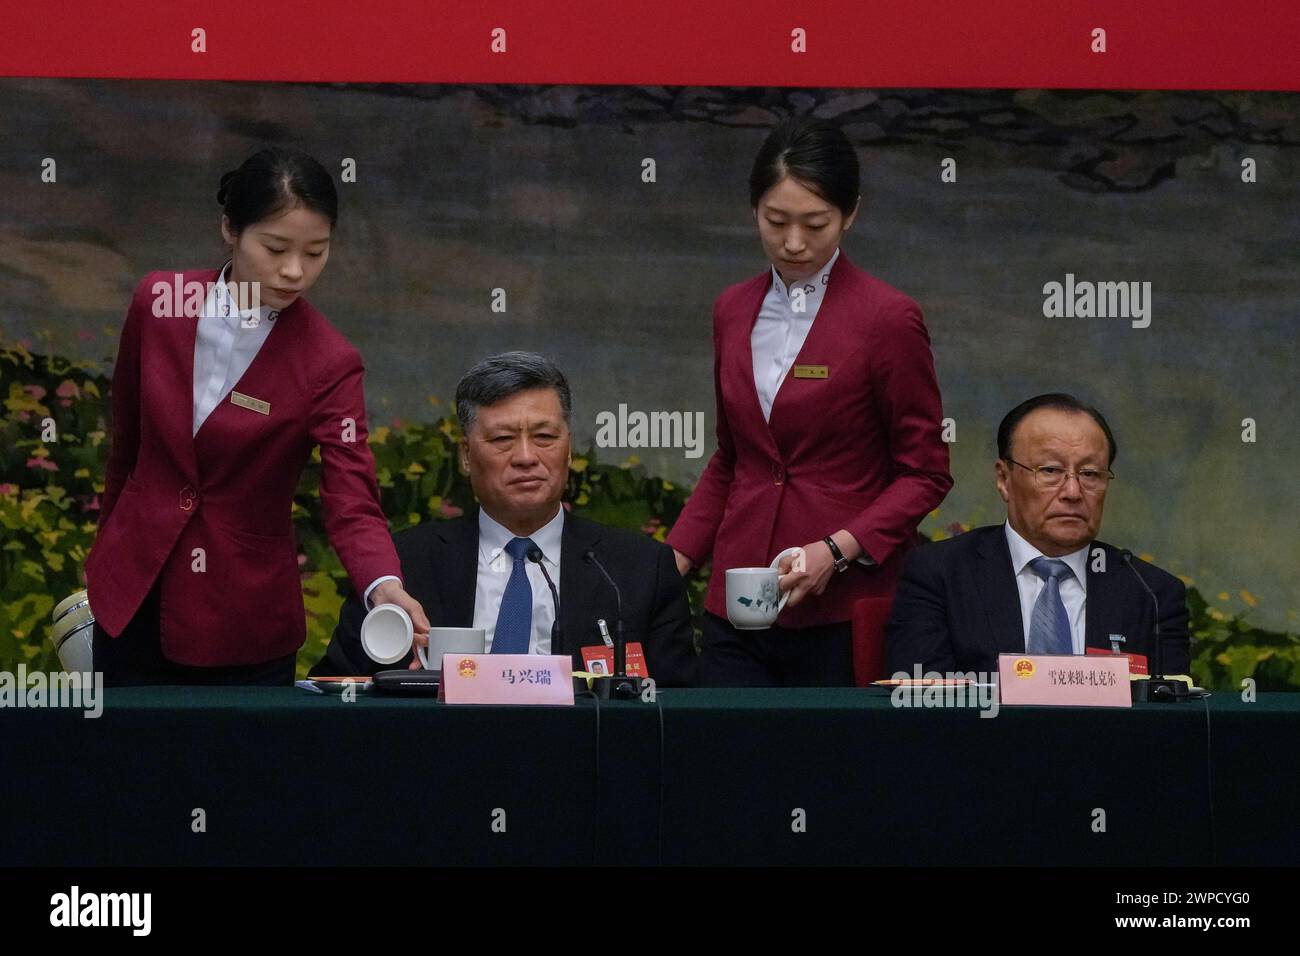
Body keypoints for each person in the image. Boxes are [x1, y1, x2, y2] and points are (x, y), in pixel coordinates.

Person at [84, 147, 429, 685]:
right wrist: (105, 564)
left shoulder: (329, 361)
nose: (295, 271)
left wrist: (382, 583)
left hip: (244, 620)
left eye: (316, 252)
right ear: (229, 228)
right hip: (129, 597)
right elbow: (125, 448)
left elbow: (352, 498)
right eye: (275, 248)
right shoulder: (159, 303)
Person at [666, 116, 952, 687]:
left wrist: (836, 550)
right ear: (754, 212)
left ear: (851, 214)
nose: (794, 242)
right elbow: (734, 459)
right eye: (776, 222)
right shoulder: (731, 308)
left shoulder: (887, 318)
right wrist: (667, 565)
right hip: (739, 603)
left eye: (816, 224)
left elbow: (925, 472)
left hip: (845, 607)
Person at [312, 352, 697, 686]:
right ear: (465, 455)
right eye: (502, 440)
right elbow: (335, 687)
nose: (526, 457)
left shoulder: (638, 570)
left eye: (545, 436)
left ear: (568, 448)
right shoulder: (404, 566)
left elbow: (676, 713)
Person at [885, 394, 1192, 676]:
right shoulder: (940, 574)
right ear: (1004, 479)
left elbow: (1170, 721)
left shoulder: (1151, 593)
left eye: (1090, 474)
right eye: (1050, 471)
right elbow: (921, 708)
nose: (1072, 492)